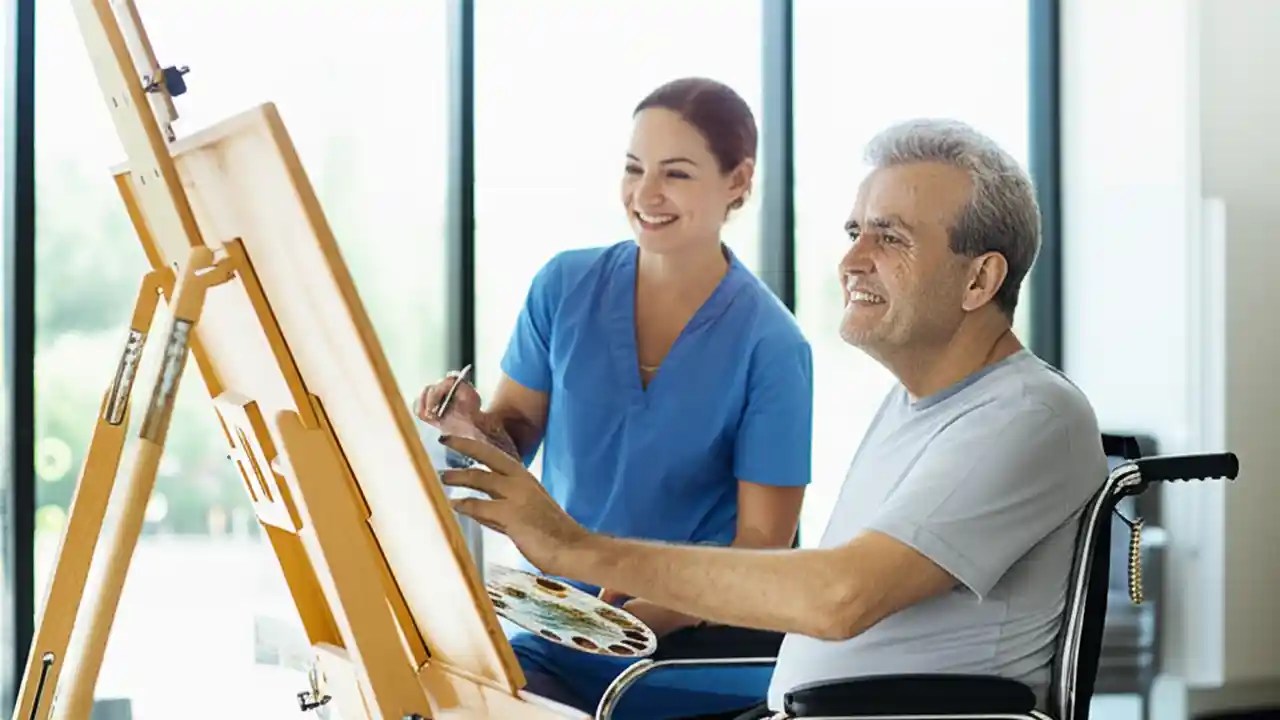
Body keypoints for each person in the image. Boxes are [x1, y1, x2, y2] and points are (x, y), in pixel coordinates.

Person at [437, 118, 1108, 719]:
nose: (850, 260)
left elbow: (839, 597)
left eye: (891, 238)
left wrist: (575, 550)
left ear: (979, 280)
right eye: (854, 232)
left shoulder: (1028, 415)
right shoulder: (917, 408)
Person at [413, 77, 814, 716]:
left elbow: (763, 545)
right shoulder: (564, 287)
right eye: (634, 168)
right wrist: (471, 426)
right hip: (559, 630)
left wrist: (653, 613)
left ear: (738, 181)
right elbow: (515, 430)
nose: (645, 194)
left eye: (676, 174)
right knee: (451, 697)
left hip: (694, 655)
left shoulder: (773, 345)